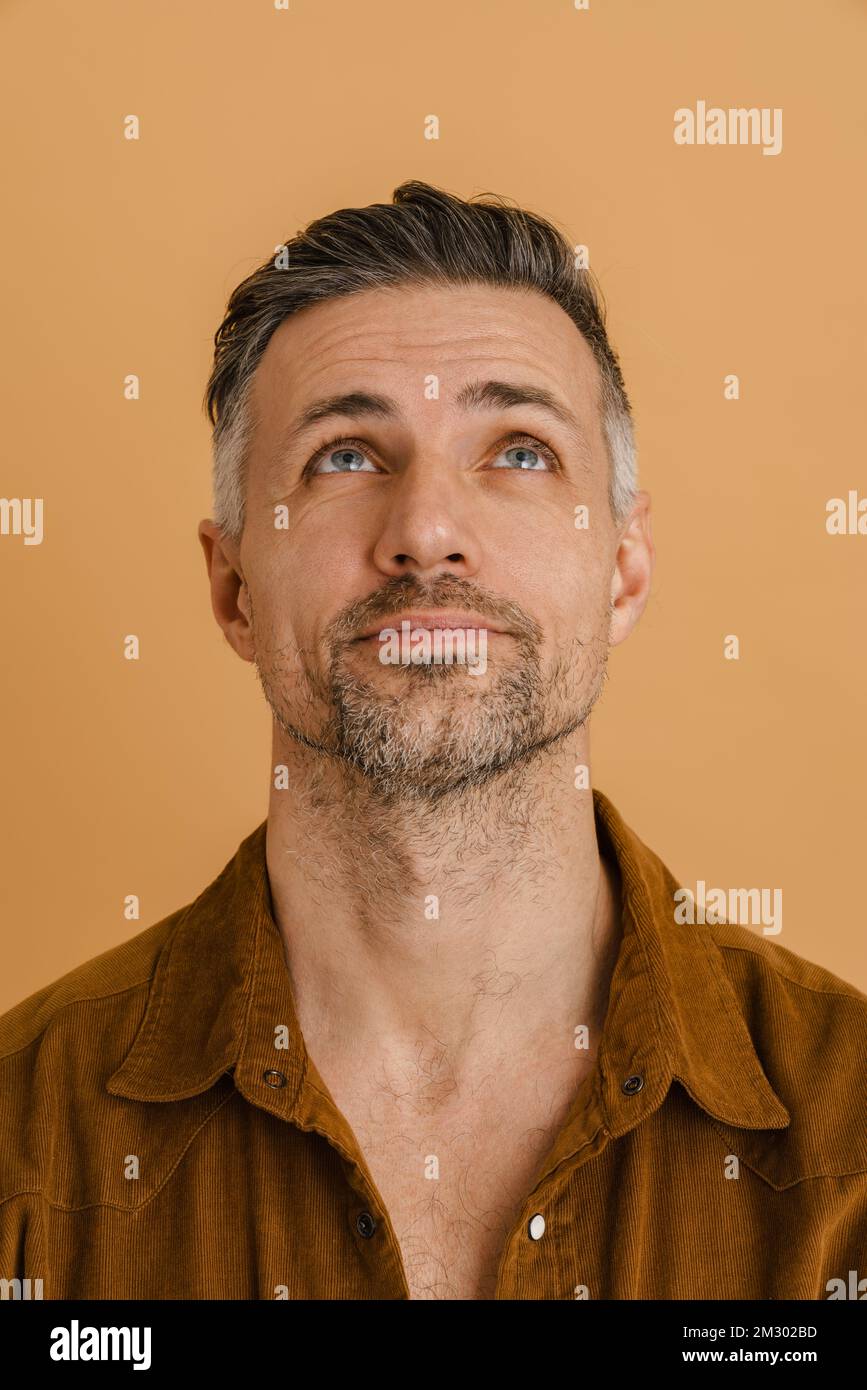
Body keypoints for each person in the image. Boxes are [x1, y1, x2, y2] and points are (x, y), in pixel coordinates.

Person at [1, 182, 864, 1301]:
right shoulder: (25, 1154)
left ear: (623, 568)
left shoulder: (848, 1144)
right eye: (346, 456)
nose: (426, 533)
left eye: (518, 449)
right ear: (233, 588)